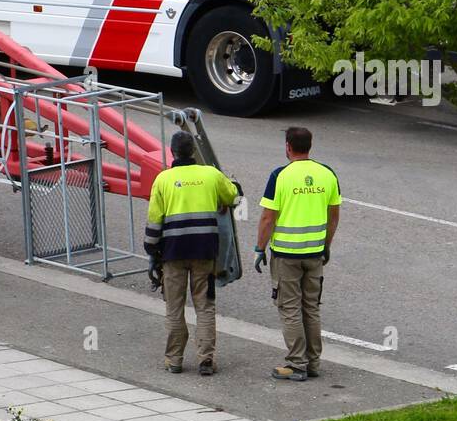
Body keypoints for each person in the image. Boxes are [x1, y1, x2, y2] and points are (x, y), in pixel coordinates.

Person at [144, 130, 240, 377]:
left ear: (172, 152)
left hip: (173, 253)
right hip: (205, 251)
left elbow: (154, 220)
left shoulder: (163, 179)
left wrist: (152, 251)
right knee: (205, 306)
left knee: (174, 307)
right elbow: (233, 196)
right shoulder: (211, 175)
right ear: (193, 152)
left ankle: (174, 360)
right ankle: (206, 359)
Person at [254, 126, 341, 383]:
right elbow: (333, 215)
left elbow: (268, 217)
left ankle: (296, 363)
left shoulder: (280, 175)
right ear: (309, 146)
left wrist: (260, 247)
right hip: (314, 252)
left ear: (288, 147)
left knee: (289, 307)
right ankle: (313, 363)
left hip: (286, 254)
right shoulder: (327, 174)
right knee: (311, 307)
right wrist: (326, 244)